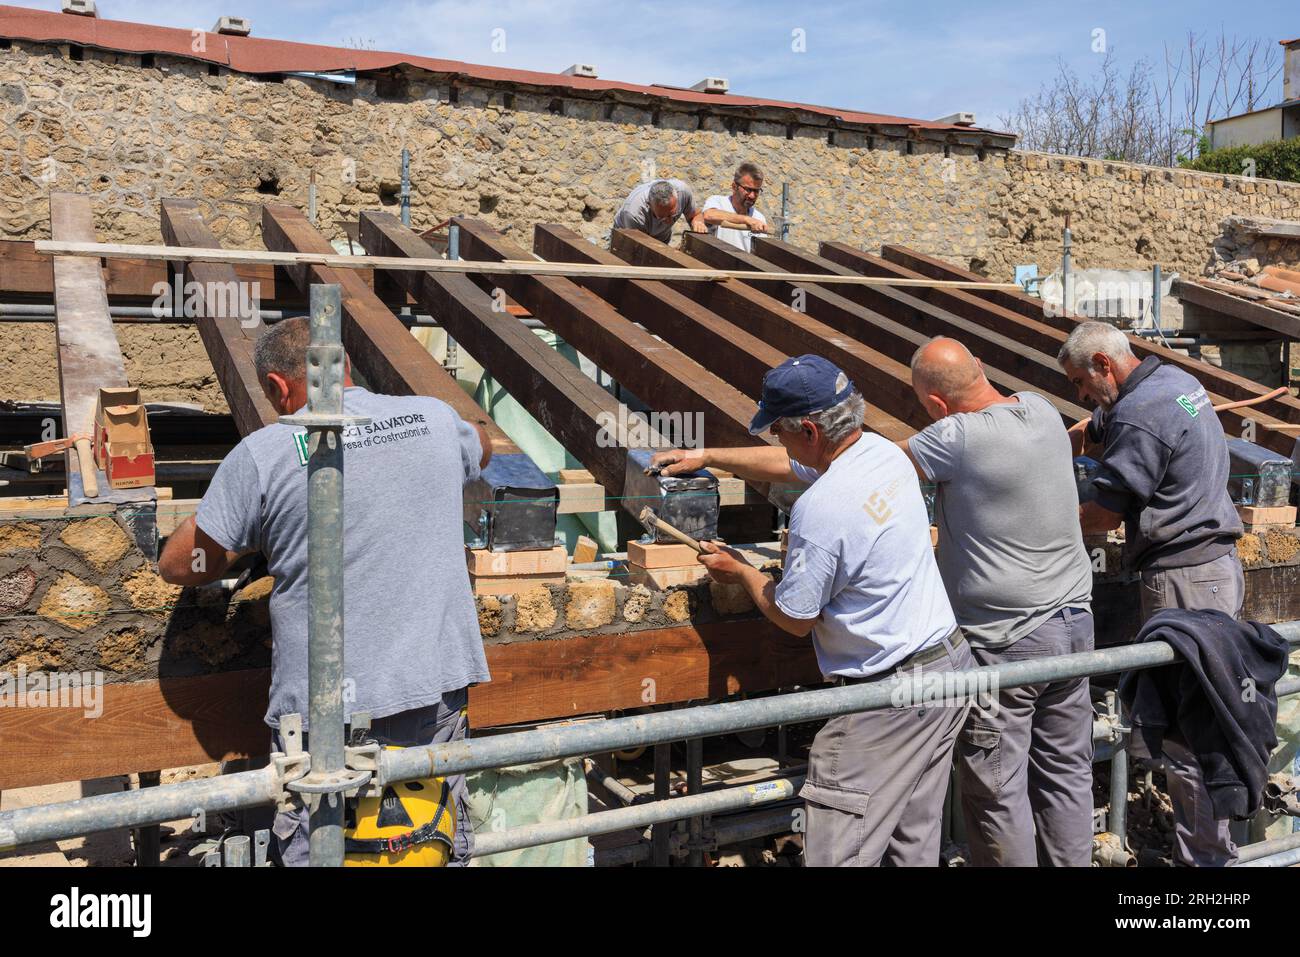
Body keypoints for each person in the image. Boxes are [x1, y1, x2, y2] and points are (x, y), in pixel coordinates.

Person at [159, 317, 492, 866]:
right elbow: (481, 445)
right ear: (346, 367)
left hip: (325, 716)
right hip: (433, 695)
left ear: (276, 387)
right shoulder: (433, 417)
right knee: (425, 844)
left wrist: (264, 531)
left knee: (329, 848)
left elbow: (179, 564)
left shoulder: (266, 453)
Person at [651, 354, 971, 866]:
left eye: (778, 430)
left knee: (837, 850)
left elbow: (795, 618)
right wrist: (709, 455)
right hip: (945, 671)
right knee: (911, 842)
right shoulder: (881, 453)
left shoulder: (821, 510)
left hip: (886, 698)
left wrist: (744, 574)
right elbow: (795, 465)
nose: (776, 440)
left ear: (808, 429)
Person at [901, 337, 1095, 866]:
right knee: (1067, 773)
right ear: (982, 368)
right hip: (1073, 628)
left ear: (937, 406)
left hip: (1004, 643)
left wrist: (713, 454)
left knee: (996, 789)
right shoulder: (1042, 408)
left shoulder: (952, 436)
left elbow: (866, 471)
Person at [1058, 320, 1245, 866]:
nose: (1080, 395)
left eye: (1079, 382)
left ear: (1104, 365)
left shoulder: (1143, 413)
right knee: (1208, 714)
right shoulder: (1172, 382)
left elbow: (1102, 515)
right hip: (1212, 567)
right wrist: (1078, 433)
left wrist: (1039, 519)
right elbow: (1112, 419)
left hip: (1183, 581)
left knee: (1189, 732)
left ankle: (1207, 867)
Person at [701, 161, 768, 252]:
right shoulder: (717, 202)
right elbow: (709, 215)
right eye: (748, 189)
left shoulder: (759, 218)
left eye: (756, 191)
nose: (752, 196)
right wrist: (746, 219)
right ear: (734, 187)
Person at [611, 178, 705, 243]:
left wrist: (698, 222)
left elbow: (695, 215)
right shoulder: (634, 213)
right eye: (662, 218)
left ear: (677, 198)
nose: (668, 221)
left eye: (672, 214)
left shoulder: (683, 192)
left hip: (660, 238)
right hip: (626, 239)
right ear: (649, 205)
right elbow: (641, 248)